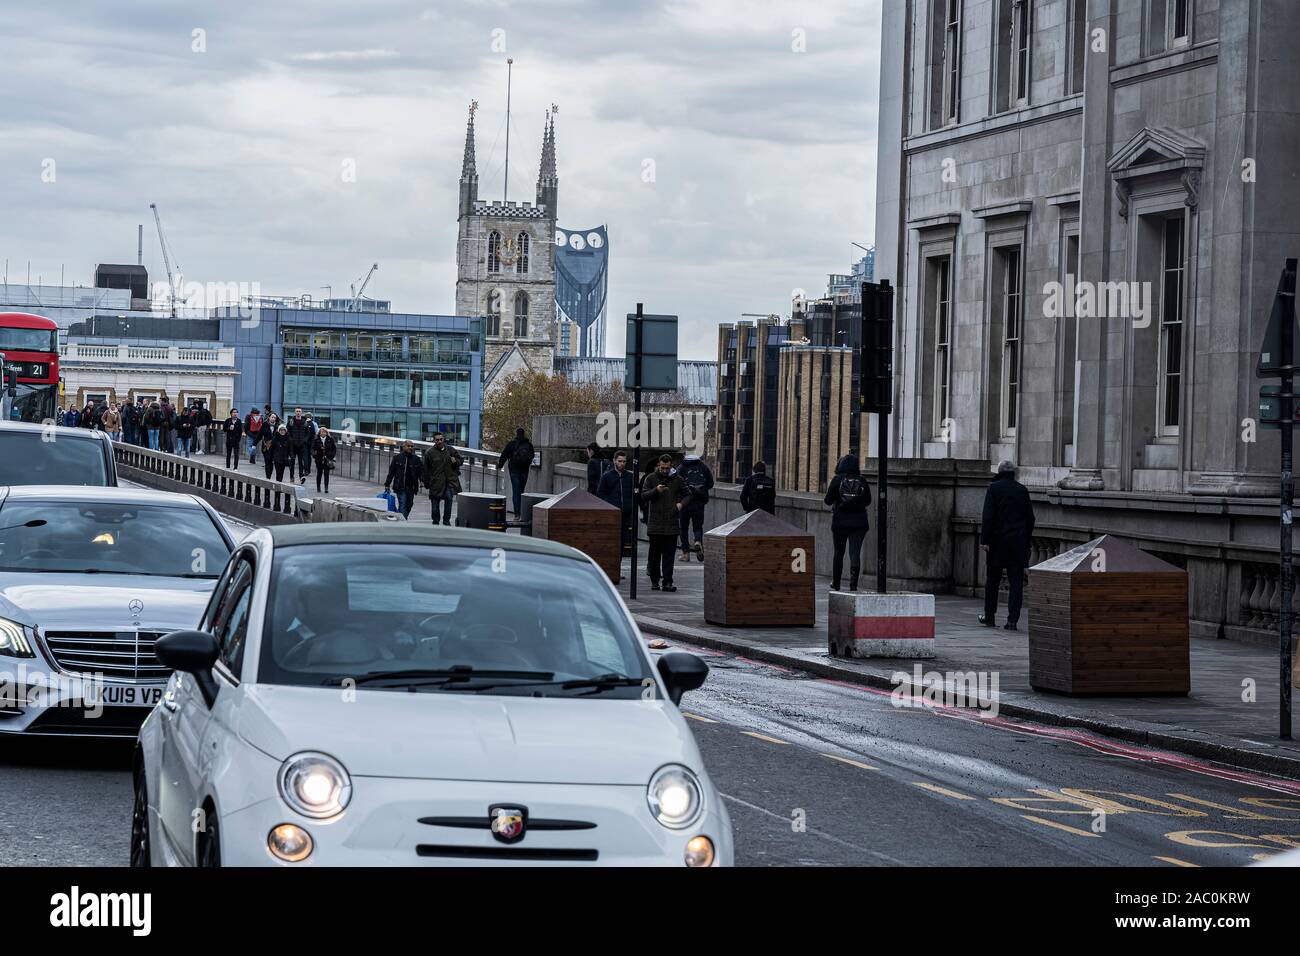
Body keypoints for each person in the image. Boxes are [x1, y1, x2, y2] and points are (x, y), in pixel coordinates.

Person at [978, 460, 1036, 631]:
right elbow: (1030, 518)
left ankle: (989, 617)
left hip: (997, 542)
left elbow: (988, 516)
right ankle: (1012, 621)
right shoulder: (1022, 490)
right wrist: (1026, 539)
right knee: (1016, 582)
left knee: (993, 580)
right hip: (1018, 543)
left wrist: (984, 540)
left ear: (1000, 472)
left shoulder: (994, 488)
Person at [824, 454, 871, 592]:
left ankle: (836, 583)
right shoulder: (862, 480)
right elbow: (868, 500)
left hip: (840, 522)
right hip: (859, 523)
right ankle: (853, 585)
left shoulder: (837, 479)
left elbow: (827, 501)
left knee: (839, 552)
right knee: (854, 553)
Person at [641, 454, 686, 592]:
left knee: (669, 555)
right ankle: (655, 580)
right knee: (654, 555)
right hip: (655, 524)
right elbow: (643, 495)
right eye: (662, 468)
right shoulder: (651, 478)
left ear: (671, 466)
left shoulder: (677, 479)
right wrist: (656, 491)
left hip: (671, 523)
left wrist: (681, 504)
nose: (665, 470)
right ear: (658, 466)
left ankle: (667, 582)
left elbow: (688, 494)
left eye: (667, 468)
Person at [597, 449, 637, 555]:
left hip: (627, 512)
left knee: (626, 537)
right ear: (614, 461)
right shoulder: (607, 476)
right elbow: (600, 493)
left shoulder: (630, 476)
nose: (622, 463)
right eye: (620, 461)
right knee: (613, 537)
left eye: (624, 461)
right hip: (614, 512)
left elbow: (635, 493)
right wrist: (610, 504)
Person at [676, 453, 714, 563]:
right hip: (699, 503)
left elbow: (676, 484)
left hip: (684, 503)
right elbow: (710, 483)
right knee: (698, 527)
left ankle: (685, 554)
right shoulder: (703, 466)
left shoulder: (681, 467)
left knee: (683, 528)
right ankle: (698, 541)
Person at [423, 431, 463, 526]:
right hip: (435, 483)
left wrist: (455, 461)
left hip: (449, 482)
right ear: (434, 440)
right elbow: (426, 469)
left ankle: (446, 521)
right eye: (437, 440)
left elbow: (461, 460)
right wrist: (426, 483)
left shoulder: (450, 450)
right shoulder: (429, 453)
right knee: (435, 504)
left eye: (441, 439)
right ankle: (435, 521)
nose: (439, 441)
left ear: (443, 439)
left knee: (449, 501)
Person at [497, 427, 534, 516]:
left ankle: (517, 514)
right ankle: (522, 512)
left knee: (516, 492)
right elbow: (532, 456)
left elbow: (504, 456)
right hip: (525, 471)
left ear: (516, 434)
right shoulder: (529, 445)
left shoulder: (511, 444)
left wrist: (499, 466)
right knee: (521, 491)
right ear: (524, 434)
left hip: (514, 471)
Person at [384, 440, 424, 519]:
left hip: (412, 487)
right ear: (403, 447)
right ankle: (402, 522)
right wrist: (387, 484)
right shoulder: (397, 458)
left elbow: (421, 472)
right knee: (402, 504)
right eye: (408, 446)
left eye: (412, 446)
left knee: (409, 504)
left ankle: (401, 518)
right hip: (400, 486)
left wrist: (422, 481)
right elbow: (391, 472)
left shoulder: (416, 459)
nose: (410, 448)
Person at [287, 407, 312, 484]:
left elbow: (308, 433)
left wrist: (305, 440)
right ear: (295, 412)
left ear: (301, 412)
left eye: (299, 411)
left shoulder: (305, 422)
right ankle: (291, 476)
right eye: (297, 411)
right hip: (293, 445)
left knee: (301, 462)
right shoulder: (291, 421)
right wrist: (291, 440)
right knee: (292, 462)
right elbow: (287, 432)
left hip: (301, 445)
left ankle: (301, 477)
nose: (298, 413)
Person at [311, 427, 337, 494]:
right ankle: (318, 487)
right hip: (319, 459)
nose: (323, 433)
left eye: (324, 432)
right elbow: (312, 448)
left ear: (326, 433)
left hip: (327, 459)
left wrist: (331, 456)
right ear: (319, 433)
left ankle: (326, 487)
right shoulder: (316, 439)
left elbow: (334, 448)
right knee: (319, 473)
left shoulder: (330, 439)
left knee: (326, 473)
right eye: (322, 432)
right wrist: (314, 455)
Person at [261, 414, 280, 479]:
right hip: (266, 447)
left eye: (274, 417)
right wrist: (254, 445)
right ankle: (268, 477)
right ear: (269, 418)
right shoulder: (264, 424)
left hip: (274, 448)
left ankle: (269, 475)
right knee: (267, 462)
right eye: (272, 417)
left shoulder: (278, 426)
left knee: (271, 462)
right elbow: (259, 434)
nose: (273, 418)